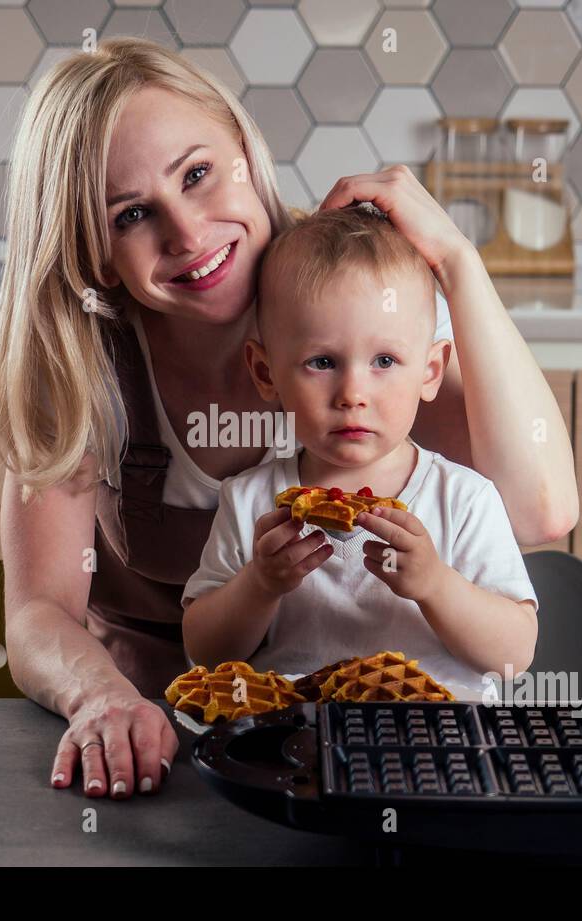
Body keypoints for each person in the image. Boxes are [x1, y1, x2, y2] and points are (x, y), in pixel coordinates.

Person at [0, 39, 577, 800]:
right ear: (93, 252)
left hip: (380, 755)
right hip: (158, 748)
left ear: (247, 154)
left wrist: (456, 258)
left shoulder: (352, 304)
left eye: (197, 174)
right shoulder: (81, 361)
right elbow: (37, 613)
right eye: (132, 215)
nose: (188, 235)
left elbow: (542, 510)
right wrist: (102, 697)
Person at [181, 205, 538, 698]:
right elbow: (205, 652)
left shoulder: (464, 498)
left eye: (385, 360)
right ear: (266, 374)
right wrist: (259, 585)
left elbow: (514, 655)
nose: (352, 392)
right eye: (322, 361)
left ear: (430, 371)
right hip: (293, 740)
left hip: (439, 748)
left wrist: (435, 584)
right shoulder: (250, 501)